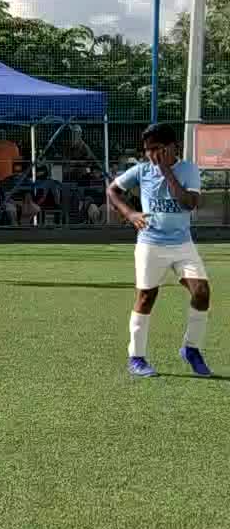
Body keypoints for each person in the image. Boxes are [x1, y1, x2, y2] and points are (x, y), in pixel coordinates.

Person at [107, 123, 212, 378]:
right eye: (147, 150)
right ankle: (137, 358)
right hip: (150, 244)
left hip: (182, 244)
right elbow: (113, 190)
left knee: (202, 292)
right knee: (146, 297)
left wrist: (166, 171)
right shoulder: (142, 170)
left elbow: (188, 203)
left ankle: (191, 349)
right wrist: (130, 213)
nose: (151, 155)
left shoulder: (188, 169)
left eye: (157, 149)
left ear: (172, 146)